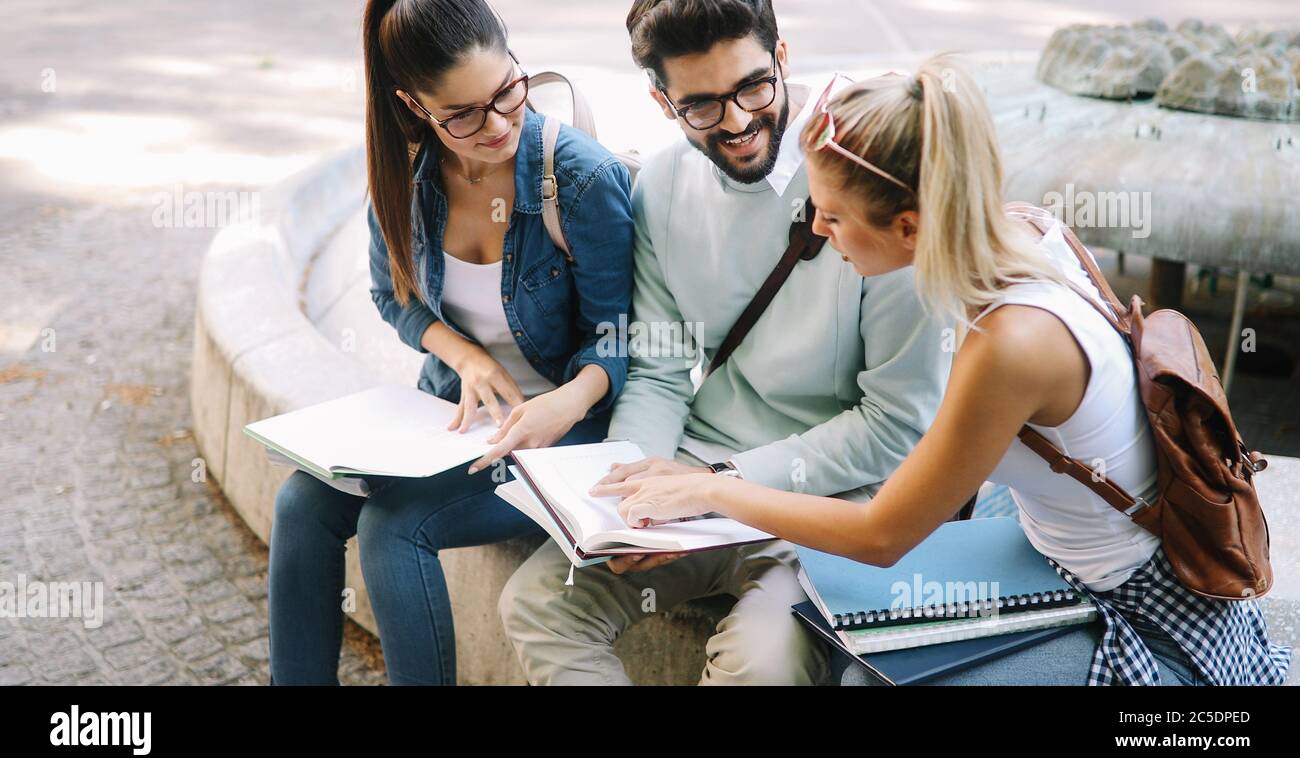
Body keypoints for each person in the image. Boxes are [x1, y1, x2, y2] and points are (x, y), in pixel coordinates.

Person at [594, 56, 1293, 686]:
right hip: (1058, 540)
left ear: (906, 225)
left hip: (1144, 613)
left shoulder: (1011, 342)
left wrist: (713, 490)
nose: (816, 231)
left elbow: (880, 535)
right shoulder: (1020, 230)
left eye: (831, 217)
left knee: (868, 672)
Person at [497, 0, 950, 686]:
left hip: (832, 506)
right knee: (537, 606)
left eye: (753, 88)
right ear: (662, 102)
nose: (737, 121)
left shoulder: (873, 186)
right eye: (702, 106)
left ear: (784, 57)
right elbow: (657, 368)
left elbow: (895, 425)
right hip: (697, 475)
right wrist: (639, 505)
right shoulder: (662, 185)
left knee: (761, 666)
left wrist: (721, 488)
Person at [267, 0, 634, 685]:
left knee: (392, 529)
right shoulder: (403, 174)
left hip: (567, 432)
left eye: (506, 93)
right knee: (300, 504)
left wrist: (565, 401)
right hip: (452, 421)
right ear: (413, 105)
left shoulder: (578, 177)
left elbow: (620, 330)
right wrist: (464, 356)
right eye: (463, 115)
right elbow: (394, 295)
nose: (497, 125)